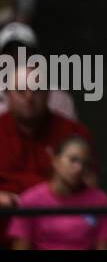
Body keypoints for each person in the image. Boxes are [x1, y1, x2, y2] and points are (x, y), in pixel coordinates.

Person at [0, 61, 93, 206]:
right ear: (8, 95)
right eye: (21, 91)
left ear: (48, 93)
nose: (29, 97)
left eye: (36, 90)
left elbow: (91, 188)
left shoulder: (74, 133)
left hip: (60, 220)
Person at [6, 136, 107, 250]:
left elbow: (104, 247)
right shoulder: (30, 200)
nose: (79, 168)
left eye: (85, 164)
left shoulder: (100, 201)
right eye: (73, 160)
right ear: (55, 161)